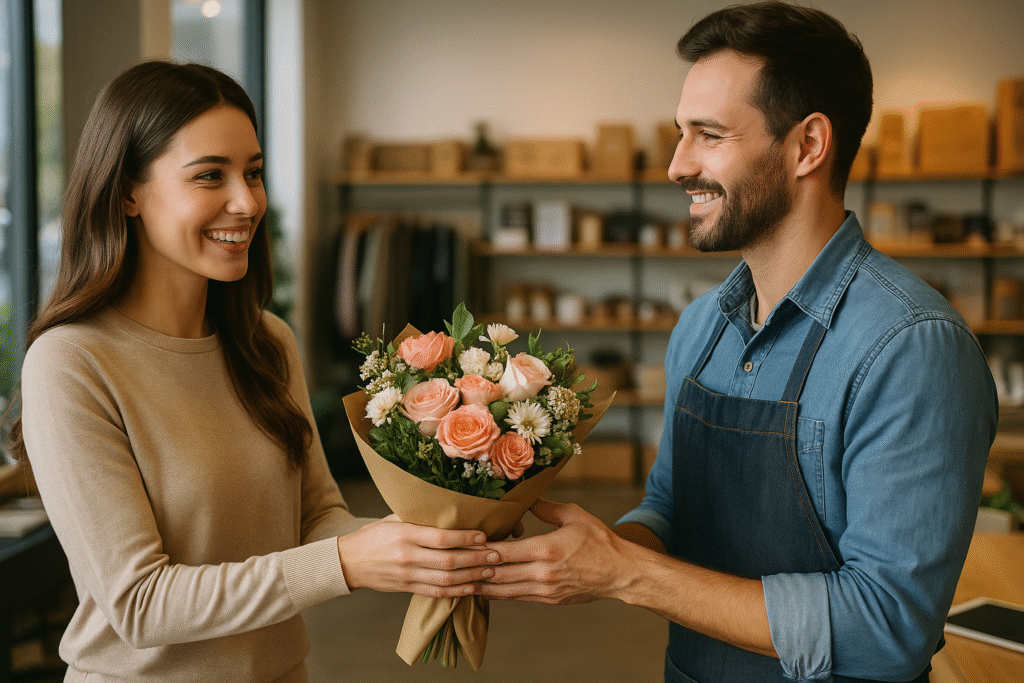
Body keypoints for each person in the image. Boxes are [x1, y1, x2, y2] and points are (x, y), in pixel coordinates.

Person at [477, 3, 998, 682]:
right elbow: (672, 504)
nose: (675, 165)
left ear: (808, 145)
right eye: (680, 133)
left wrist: (628, 572)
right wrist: (582, 553)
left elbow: (887, 626)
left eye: (709, 135)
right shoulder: (701, 327)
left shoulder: (911, 348)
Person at [3, 60, 497, 683]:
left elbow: (316, 519)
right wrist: (347, 563)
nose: (247, 201)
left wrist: (423, 544)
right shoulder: (72, 363)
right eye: (210, 175)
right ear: (128, 191)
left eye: (254, 173)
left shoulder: (267, 342)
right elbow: (138, 604)